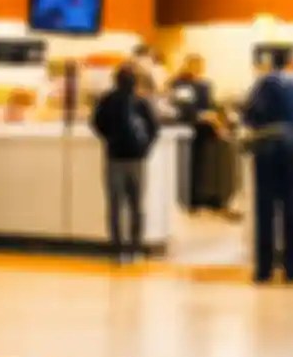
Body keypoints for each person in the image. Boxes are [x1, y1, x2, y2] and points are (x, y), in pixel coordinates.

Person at [243, 46, 293, 284]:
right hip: (290, 150)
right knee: (291, 209)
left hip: (266, 151)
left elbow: (249, 114)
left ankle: (264, 269)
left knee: (265, 211)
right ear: (290, 62)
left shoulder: (262, 85)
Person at [92, 64, 160, 262]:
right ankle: (135, 246)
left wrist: (110, 140)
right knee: (136, 205)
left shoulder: (107, 101)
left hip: (115, 158)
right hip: (136, 159)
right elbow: (154, 128)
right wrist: (144, 149)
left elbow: (97, 124)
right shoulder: (141, 102)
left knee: (115, 205)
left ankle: (117, 247)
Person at [170, 54, 225, 214]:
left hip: (204, 130)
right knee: (189, 165)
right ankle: (190, 199)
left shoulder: (204, 85)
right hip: (188, 130)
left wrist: (215, 119)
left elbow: (211, 105)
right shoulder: (180, 84)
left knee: (200, 165)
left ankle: (201, 197)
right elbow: (183, 108)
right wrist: (202, 115)